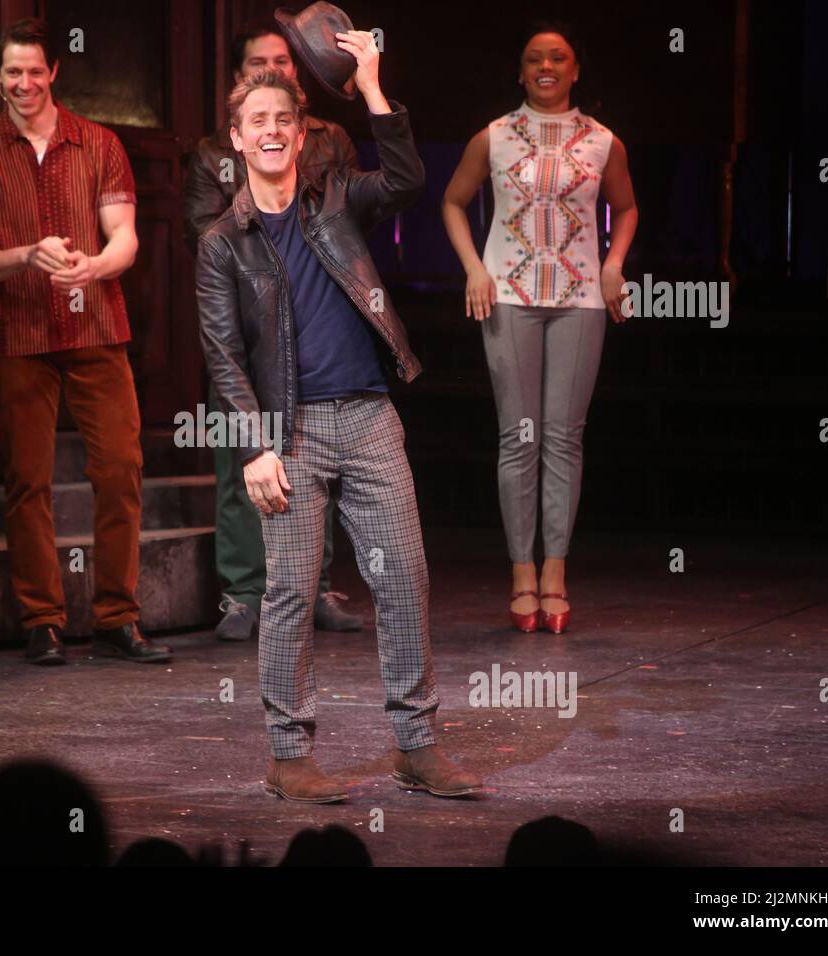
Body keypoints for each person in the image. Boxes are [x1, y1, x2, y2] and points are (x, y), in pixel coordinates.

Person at [196, 32, 483, 802]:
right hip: (288, 434)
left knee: (404, 577)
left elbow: (407, 176)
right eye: (255, 119)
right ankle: (288, 755)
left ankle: (417, 745)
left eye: (282, 119)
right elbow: (223, 356)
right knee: (288, 591)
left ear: (298, 131)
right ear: (237, 137)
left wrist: (374, 84)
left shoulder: (337, 200)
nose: (269, 130)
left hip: (368, 418)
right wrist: (256, 446)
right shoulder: (224, 242)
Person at [0, 17, 170, 667]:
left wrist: (94, 266)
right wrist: (26, 256)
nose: (24, 82)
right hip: (17, 333)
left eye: (35, 71)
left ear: (55, 73)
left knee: (120, 469)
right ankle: (41, 620)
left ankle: (116, 616)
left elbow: (124, 237)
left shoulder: (98, 143)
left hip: (96, 326)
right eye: (12, 72)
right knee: (27, 479)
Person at [441, 20, 638, 634]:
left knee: (563, 437)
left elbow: (626, 208)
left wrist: (613, 264)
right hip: (508, 296)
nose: (546, 66)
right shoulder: (494, 137)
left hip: (579, 298)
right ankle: (520, 570)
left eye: (558, 58)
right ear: (520, 71)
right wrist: (474, 267)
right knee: (518, 437)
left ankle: (555, 569)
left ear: (575, 70)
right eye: (534, 59)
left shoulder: (604, 141)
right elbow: (452, 201)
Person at [182, 20, 362, 642]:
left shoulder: (328, 140)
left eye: (284, 61)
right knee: (243, 465)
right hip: (247, 325)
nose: (276, 69)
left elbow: (355, 219)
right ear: (240, 80)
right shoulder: (213, 152)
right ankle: (242, 594)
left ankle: (313, 587)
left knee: (315, 465)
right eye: (260, 62)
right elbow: (206, 231)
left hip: (315, 329)